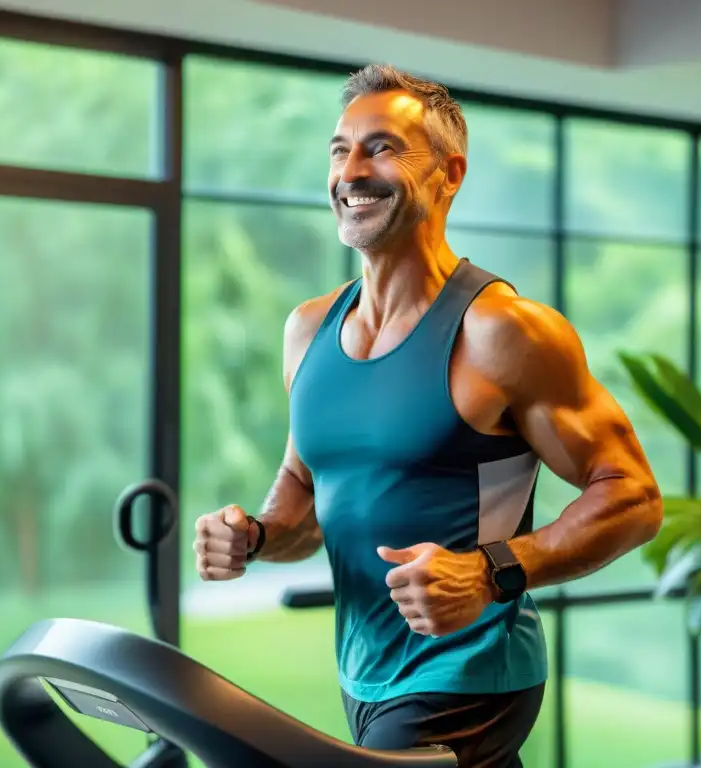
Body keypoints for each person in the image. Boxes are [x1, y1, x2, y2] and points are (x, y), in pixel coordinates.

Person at [193, 64, 663, 767]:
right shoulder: (308, 330)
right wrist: (255, 535)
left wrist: (488, 570)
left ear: (449, 173)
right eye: (339, 149)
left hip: (470, 672)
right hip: (364, 674)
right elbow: (305, 499)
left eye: (381, 148)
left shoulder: (503, 332)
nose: (351, 171)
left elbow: (633, 497)